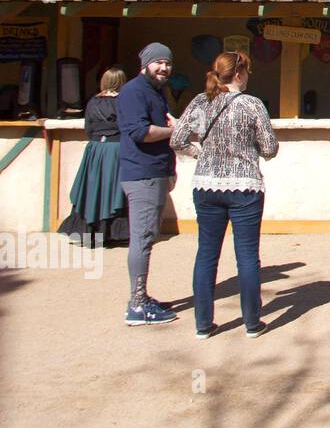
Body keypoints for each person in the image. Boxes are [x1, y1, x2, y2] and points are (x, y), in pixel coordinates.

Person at [170, 51, 279, 339]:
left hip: (206, 185)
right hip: (244, 185)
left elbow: (177, 139)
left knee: (206, 254)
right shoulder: (252, 105)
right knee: (246, 256)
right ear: (240, 73)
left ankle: (203, 324)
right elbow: (269, 148)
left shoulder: (200, 101)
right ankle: (252, 322)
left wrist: (200, 153)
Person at [117, 43, 179, 326]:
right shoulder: (133, 92)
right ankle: (137, 304)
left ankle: (141, 297)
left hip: (155, 171)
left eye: (167, 63)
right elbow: (141, 132)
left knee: (148, 235)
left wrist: (170, 168)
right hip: (141, 174)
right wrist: (175, 131)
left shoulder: (156, 92)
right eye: (159, 63)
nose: (164, 68)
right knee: (142, 238)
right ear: (146, 64)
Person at [57, 67, 130, 247]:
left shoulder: (92, 102)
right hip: (116, 149)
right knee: (113, 190)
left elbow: (88, 129)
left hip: (95, 149)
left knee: (93, 189)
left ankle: (89, 232)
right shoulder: (124, 101)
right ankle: (112, 233)